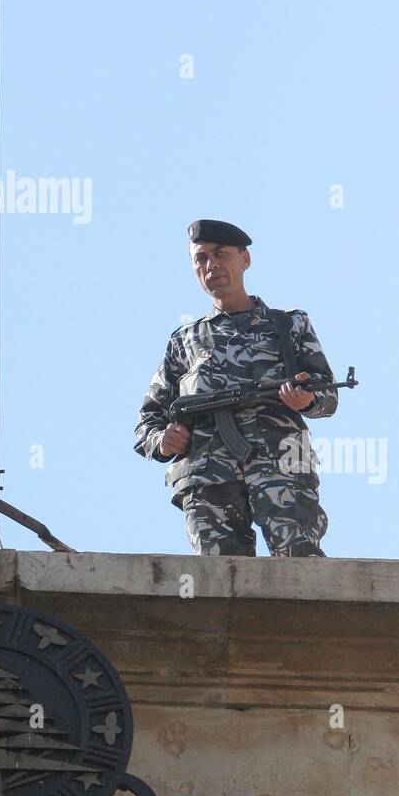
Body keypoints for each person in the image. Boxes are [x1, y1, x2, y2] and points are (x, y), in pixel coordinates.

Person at [134, 219, 338, 557]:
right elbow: (148, 421)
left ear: (244, 259)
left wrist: (306, 400)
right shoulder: (184, 341)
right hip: (207, 476)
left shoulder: (288, 324)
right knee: (219, 581)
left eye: (220, 254)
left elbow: (328, 395)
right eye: (200, 259)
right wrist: (163, 441)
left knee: (300, 562)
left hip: (281, 465)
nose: (211, 265)